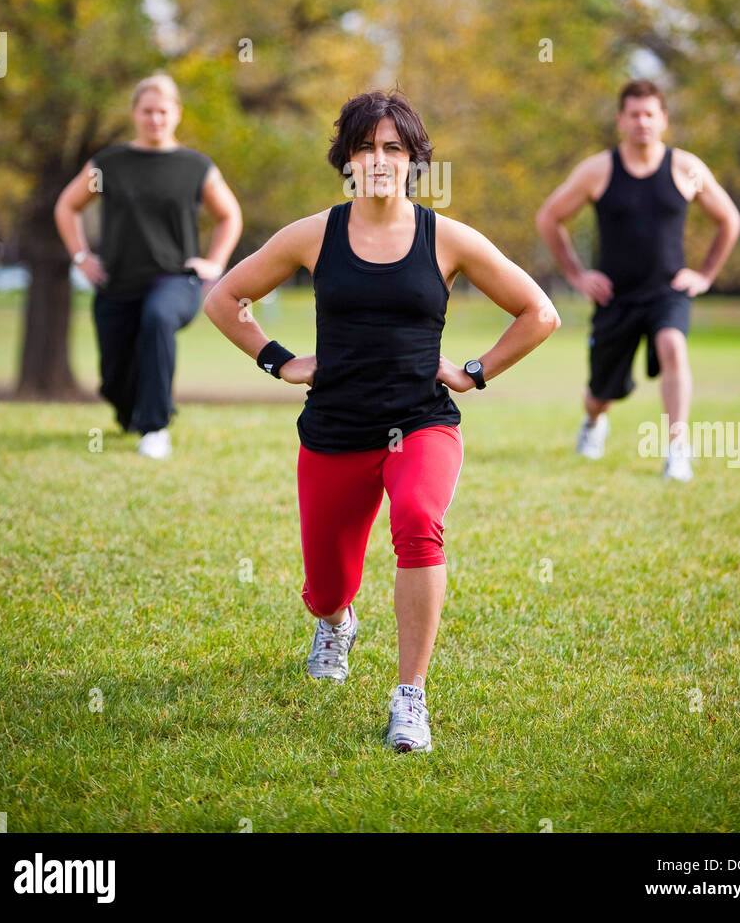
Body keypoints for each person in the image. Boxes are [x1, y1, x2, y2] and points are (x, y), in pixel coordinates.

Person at [202, 88, 561, 753]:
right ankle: (336, 622)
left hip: (421, 421)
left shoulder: (446, 238)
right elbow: (225, 298)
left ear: (412, 160)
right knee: (325, 586)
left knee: (420, 523)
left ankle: (410, 698)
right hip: (336, 428)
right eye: (364, 146)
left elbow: (539, 312)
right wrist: (277, 361)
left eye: (392, 148)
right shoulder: (314, 235)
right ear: (346, 159)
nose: (377, 158)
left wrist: (475, 372)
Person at [536, 79, 740, 482]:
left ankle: (677, 450)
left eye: (650, 114)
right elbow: (549, 217)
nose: (642, 122)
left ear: (663, 119)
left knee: (673, 345)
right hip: (615, 297)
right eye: (634, 114)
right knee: (600, 395)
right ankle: (594, 423)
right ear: (621, 120)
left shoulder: (687, 168)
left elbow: (729, 219)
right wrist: (577, 274)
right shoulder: (598, 170)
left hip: (668, 292)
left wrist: (705, 275)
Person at [54, 72, 243, 458]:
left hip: (176, 281)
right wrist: (80, 256)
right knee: (114, 381)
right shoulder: (110, 162)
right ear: (134, 114)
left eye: (162, 111)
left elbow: (230, 216)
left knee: (157, 318)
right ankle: (134, 415)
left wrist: (214, 262)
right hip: (118, 282)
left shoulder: (195, 166)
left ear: (176, 114)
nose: (155, 119)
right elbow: (67, 206)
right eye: (147, 111)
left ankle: (156, 428)